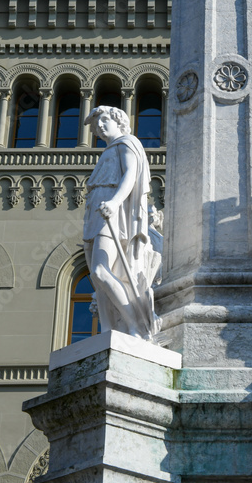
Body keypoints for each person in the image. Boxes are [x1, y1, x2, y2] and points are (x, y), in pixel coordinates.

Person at [83, 105, 160, 339]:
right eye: (96, 125)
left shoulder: (127, 143)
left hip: (112, 215)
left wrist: (115, 202)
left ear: (119, 121)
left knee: (100, 271)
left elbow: (130, 175)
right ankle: (107, 332)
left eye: (104, 120)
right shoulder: (108, 151)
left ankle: (135, 324)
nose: (99, 127)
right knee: (98, 282)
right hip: (94, 216)